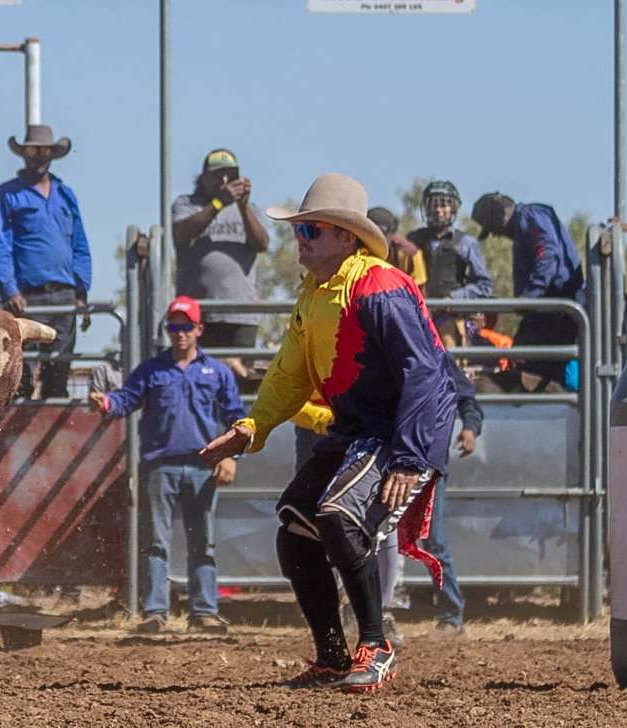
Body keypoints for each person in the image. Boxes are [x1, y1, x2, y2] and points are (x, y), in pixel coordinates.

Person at [202, 173, 455, 694]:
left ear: (345, 236)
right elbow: (289, 375)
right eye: (299, 231)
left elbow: (425, 373)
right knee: (294, 528)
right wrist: (250, 429)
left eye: (311, 230)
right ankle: (333, 656)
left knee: (338, 515)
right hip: (358, 428)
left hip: (396, 428)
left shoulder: (379, 285)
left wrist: (409, 458)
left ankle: (377, 646)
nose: (301, 240)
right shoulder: (315, 293)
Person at [295, 357, 481, 644]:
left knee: (426, 538)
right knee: (366, 529)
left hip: (417, 459)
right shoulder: (382, 350)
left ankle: (447, 614)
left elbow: (461, 396)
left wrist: (469, 427)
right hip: (391, 453)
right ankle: (366, 612)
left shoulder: (429, 352)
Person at [90, 296, 244, 634]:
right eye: (173, 326)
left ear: (199, 329)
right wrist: (106, 403)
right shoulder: (151, 370)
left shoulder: (217, 372)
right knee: (157, 541)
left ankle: (203, 611)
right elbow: (125, 400)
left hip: (204, 466)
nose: (179, 333)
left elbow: (237, 418)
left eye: (185, 326)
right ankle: (156, 612)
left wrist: (231, 454)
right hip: (161, 466)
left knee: (202, 541)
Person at [0, 124, 91, 400]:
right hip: (28, 296)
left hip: (65, 294)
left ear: (52, 154)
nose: (38, 156)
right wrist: (9, 289)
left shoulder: (65, 194)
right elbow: (0, 244)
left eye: (44, 151)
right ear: (24, 154)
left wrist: (81, 290)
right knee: (23, 371)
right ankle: (14, 436)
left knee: (60, 368)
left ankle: (56, 437)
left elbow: (79, 242)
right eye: (33, 151)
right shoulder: (7, 195)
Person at [170, 148, 270, 379]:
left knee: (240, 386)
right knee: (199, 382)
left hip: (241, 316)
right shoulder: (187, 204)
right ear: (203, 177)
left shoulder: (249, 210)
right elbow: (181, 233)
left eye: (230, 174)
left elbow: (262, 243)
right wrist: (217, 204)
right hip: (199, 316)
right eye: (217, 175)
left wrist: (243, 207)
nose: (225, 181)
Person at [471, 192, 585, 391]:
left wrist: (529, 298)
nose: (497, 234)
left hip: (551, 308)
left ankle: (538, 405)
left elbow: (547, 254)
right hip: (547, 309)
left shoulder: (530, 216)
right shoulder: (530, 220)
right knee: (538, 364)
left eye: (493, 227)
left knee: (528, 360)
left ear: (500, 213)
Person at [410, 181, 493, 349]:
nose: (438, 210)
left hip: (451, 319)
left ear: (453, 209)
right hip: (417, 320)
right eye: (433, 205)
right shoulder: (412, 241)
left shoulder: (465, 243)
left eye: (444, 205)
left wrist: (454, 298)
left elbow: (484, 285)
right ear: (425, 208)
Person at [366, 207, 427, 286]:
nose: (377, 246)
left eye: (382, 239)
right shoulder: (353, 249)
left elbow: (419, 289)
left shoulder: (411, 253)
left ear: (391, 235)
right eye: (373, 240)